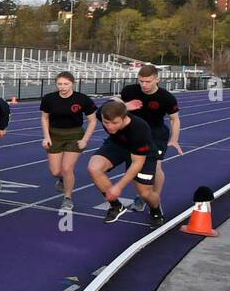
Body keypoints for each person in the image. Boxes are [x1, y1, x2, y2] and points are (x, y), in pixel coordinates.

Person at [89, 100, 165, 228]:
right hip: (117, 144)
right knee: (94, 168)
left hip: (141, 154)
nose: (110, 127)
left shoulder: (139, 129)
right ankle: (116, 206)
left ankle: (156, 211)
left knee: (145, 193)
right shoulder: (102, 113)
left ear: (124, 118)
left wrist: (118, 187)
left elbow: (137, 163)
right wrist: (124, 105)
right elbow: (111, 102)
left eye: (115, 123)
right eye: (106, 123)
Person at [118, 64, 182, 211]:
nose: (144, 85)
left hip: (156, 134)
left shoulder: (166, 97)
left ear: (157, 79)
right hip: (134, 134)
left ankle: (154, 200)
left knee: (156, 166)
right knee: (136, 166)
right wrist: (124, 104)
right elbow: (118, 104)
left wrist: (174, 139)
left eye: (148, 81)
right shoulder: (130, 91)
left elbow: (175, 119)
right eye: (141, 81)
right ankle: (142, 195)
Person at [39, 72, 98, 210]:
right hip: (54, 135)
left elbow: (93, 121)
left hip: (74, 135)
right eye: (59, 84)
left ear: (73, 83)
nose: (62, 87)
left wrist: (85, 140)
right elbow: (44, 118)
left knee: (67, 168)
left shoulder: (82, 99)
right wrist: (46, 136)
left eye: (66, 84)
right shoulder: (49, 99)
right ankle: (62, 179)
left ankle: (68, 198)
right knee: (55, 171)